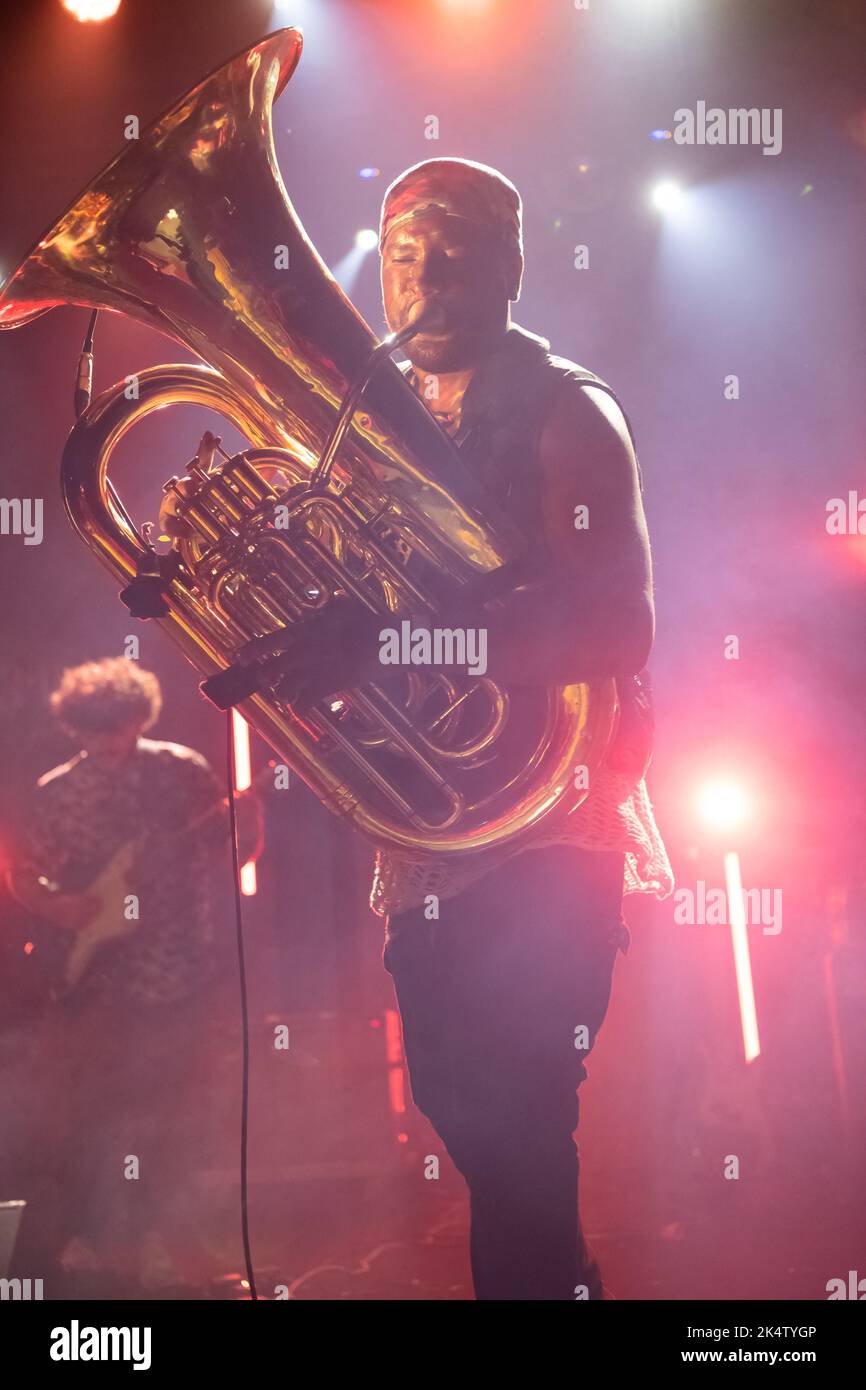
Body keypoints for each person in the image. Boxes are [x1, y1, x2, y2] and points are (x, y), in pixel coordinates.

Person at [236, 158, 673, 1299]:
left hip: (551, 821)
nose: (420, 282)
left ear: (513, 270)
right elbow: (371, 610)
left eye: (452, 254)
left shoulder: (567, 413)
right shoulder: (366, 421)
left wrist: (387, 648)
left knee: (518, 1114)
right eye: (402, 257)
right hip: (431, 826)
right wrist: (228, 597)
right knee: (457, 1099)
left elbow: (614, 630)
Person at [5, 656, 262, 1291]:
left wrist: (251, 818)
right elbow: (24, 873)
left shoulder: (179, 770)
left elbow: (234, 848)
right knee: (108, 1120)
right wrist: (63, 905)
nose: (106, 743)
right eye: (93, 731)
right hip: (98, 987)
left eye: (115, 727)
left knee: (180, 1116)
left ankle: (174, 1245)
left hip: (180, 971)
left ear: (136, 717)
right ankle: (114, 1248)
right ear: (75, 728)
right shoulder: (57, 790)